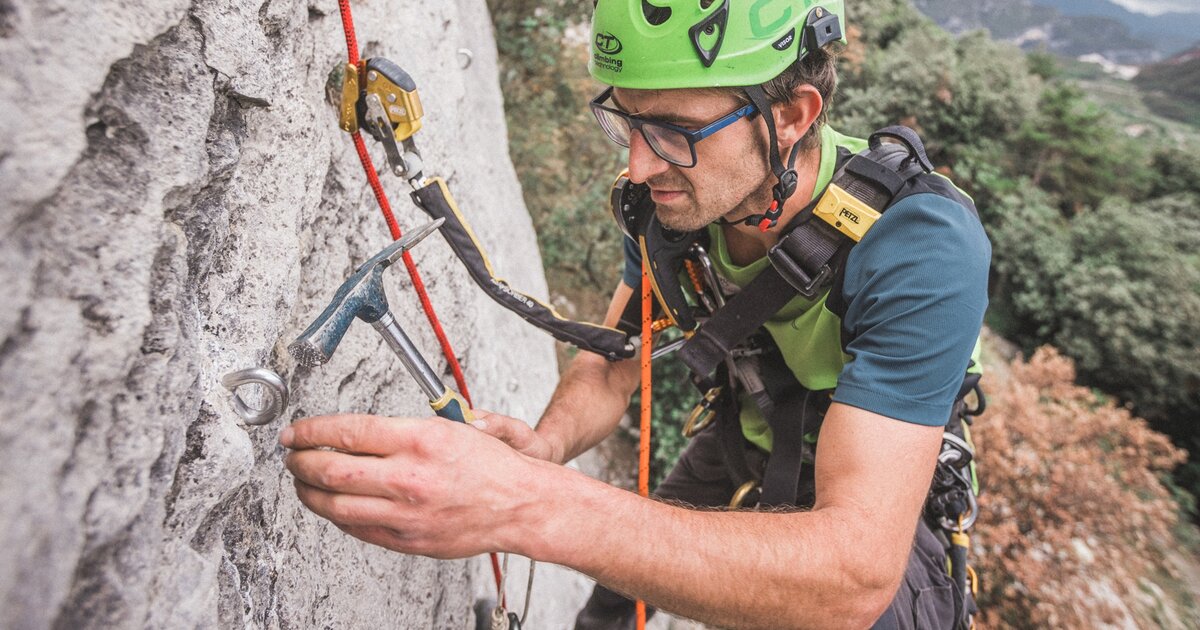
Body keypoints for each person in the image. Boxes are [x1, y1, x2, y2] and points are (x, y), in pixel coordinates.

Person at [280, 1, 991, 628]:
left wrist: (527, 503)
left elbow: (853, 576)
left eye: (676, 131)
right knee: (615, 594)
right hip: (743, 435)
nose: (642, 167)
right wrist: (546, 448)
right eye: (628, 121)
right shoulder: (673, 208)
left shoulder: (918, 245)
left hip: (882, 495)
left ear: (790, 117)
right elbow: (612, 364)